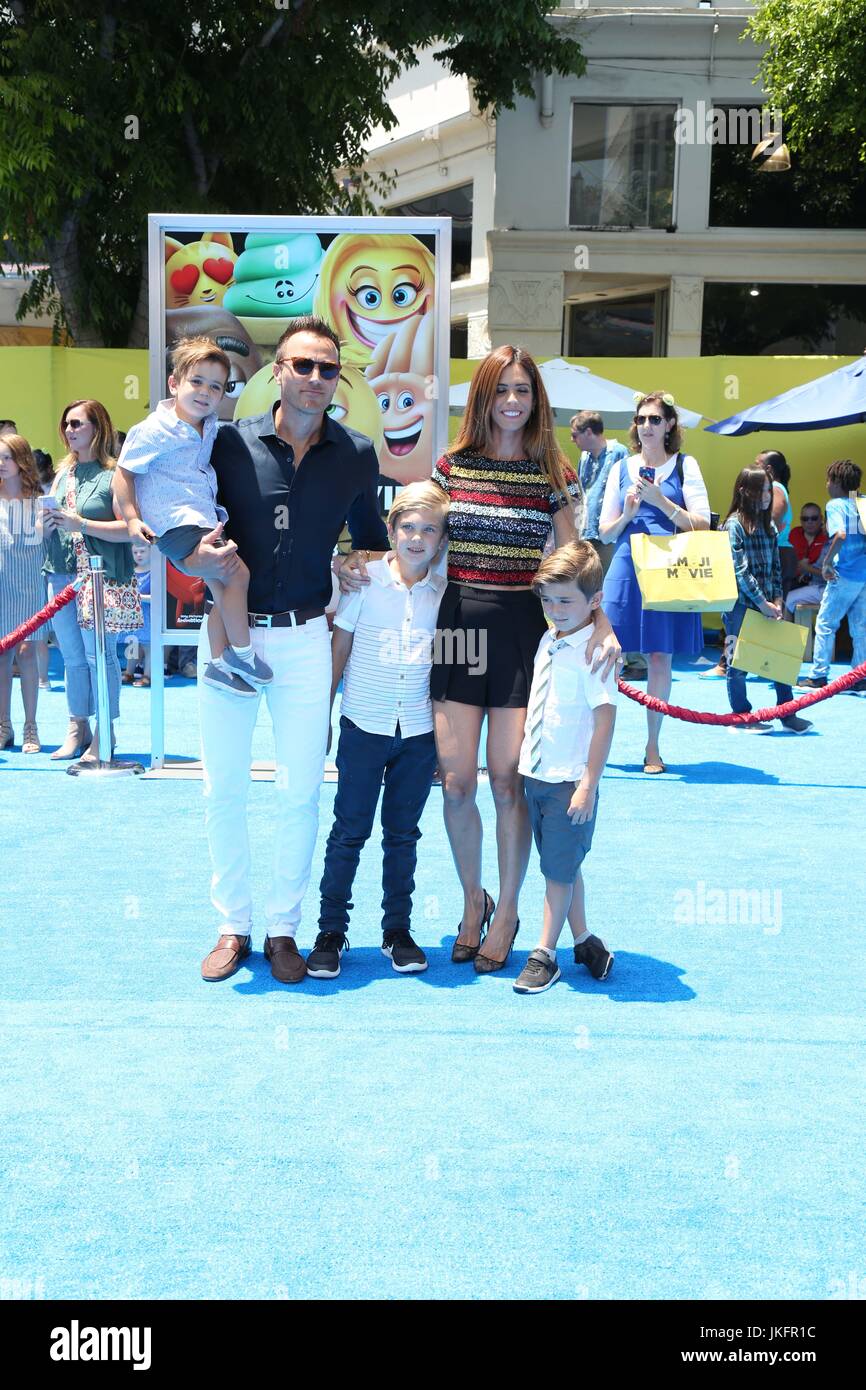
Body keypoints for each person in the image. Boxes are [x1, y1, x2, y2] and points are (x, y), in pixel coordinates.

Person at [197, 315, 389, 985]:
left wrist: (351, 565)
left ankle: (283, 928)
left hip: (308, 639)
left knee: (301, 792)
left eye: (327, 369)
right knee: (223, 786)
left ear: (340, 381)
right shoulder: (224, 444)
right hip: (228, 635)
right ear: (275, 372)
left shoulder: (358, 453)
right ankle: (233, 925)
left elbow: (372, 541)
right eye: (302, 365)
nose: (314, 378)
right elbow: (182, 520)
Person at [431, 345, 619, 975]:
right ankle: (471, 903)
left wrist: (603, 623)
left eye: (523, 391)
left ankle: (508, 911)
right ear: (482, 396)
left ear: (536, 400)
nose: (513, 402)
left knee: (508, 782)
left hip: (520, 631)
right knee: (456, 784)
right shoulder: (450, 466)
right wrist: (358, 569)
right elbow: (413, 538)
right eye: (501, 390)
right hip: (457, 626)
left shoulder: (551, 471)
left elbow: (578, 559)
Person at [307, 482, 448, 980]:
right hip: (363, 724)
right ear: (390, 531)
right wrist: (321, 715)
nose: (416, 538)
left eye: (428, 530)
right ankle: (330, 930)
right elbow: (338, 651)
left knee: (403, 833)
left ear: (440, 539)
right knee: (349, 830)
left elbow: (449, 660)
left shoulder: (443, 592)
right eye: (407, 527)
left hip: (418, 732)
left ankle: (397, 930)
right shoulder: (362, 581)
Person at [113, 336, 273, 698]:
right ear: (175, 383)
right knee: (238, 574)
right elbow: (123, 474)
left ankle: (217, 664)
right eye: (196, 382)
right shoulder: (153, 429)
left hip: (200, 517)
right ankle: (243, 655)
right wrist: (132, 519)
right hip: (178, 521)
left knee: (222, 588)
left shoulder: (211, 425)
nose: (205, 392)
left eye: (215, 386)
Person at [512, 542, 617, 993]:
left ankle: (544, 954)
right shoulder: (548, 638)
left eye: (565, 600)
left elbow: (605, 719)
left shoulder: (596, 653)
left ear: (594, 602)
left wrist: (588, 784)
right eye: (548, 599)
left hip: (569, 781)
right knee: (563, 864)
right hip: (536, 774)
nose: (554, 609)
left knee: (557, 871)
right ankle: (584, 940)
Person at [598, 391, 711, 774]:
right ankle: (596, 745)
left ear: (670, 425)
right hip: (629, 565)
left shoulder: (686, 466)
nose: (646, 425)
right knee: (607, 651)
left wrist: (662, 502)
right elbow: (605, 532)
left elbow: (703, 524)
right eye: (641, 419)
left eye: (655, 419)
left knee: (661, 657)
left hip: (671, 566)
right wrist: (629, 512)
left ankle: (652, 747)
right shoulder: (620, 468)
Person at [42, 400, 136, 764]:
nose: (69, 430)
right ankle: (76, 727)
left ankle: (105, 732)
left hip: (99, 575)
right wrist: (46, 524)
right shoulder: (62, 474)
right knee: (71, 656)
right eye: (66, 424)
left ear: (98, 427)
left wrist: (81, 524)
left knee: (101, 656)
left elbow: (130, 529)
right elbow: (51, 524)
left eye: (77, 423)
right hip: (61, 571)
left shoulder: (115, 475)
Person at [720, 467, 811, 734]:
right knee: (737, 663)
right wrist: (762, 602)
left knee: (780, 658)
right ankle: (741, 716)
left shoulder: (768, 525)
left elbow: (774, 567)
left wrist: (777, 599)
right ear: (742, 491)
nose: (766, 495)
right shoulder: (734, 525)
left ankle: (786, 712)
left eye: (768, 490)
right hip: (740, 605)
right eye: (760, 490)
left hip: (768, 603)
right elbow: (740, 570)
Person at [798, 459, 866, 692]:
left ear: (836, 482)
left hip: (843, 574)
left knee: (826, 624)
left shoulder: (835, 504)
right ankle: (859, 676)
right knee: (860, 627)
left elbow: (841, 534)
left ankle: (817, 676)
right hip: (864, 575)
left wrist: (827, 564)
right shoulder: (863, 501)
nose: (826, 484)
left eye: (828, 480)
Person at [0, 434, 47, 752]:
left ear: (21, 460)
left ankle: (31, 726)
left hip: (31, 584)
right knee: (3, 655)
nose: (1, 464)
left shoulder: (40, 500)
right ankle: (4, 725)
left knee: (28, 653)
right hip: (2, 583)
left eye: (6, 457)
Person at [757, 450, 797, 594]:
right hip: (779, 553)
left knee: (774, 611)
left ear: (768, 469)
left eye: (757, 465)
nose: (754, 469)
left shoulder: (775, 488)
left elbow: (772, 518)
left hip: (778, 553)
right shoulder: (775, 488)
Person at [784, 502, 829, 613]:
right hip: (794, 580)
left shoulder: (827, 538)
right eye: (805, 518)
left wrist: (807, 569)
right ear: (800, 520)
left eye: (814, 518)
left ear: (821, 519)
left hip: (819, 583)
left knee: (789, 599)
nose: (809, 522)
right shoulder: (794, 534)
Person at [121, 542, 152, 686]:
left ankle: (148, 675)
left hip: (150, 616)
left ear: (151, 551)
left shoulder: (156, 573)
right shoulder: (130, 571)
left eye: (142, 551)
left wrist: (139, 598)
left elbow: (158, 598)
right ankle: (129, 672)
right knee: (132, 643)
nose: (139, 555)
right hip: (133, 616)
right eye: (135, 552)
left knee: (148, 645)